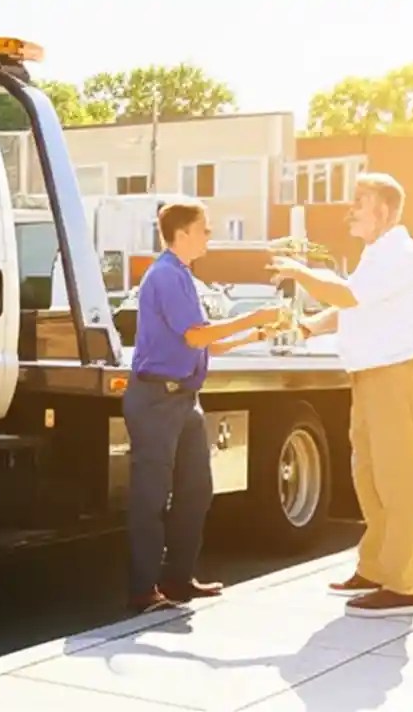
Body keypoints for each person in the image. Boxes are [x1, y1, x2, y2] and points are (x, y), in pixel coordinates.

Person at [266, 172, 413, 618]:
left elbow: (347, 294)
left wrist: (299, 270)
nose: (351, 210)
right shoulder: (377, 254)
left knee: (396, 479)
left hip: (392, 372)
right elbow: (351, 305)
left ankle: (402, 586)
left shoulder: (399, 252)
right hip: (370, 373)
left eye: (360, 201)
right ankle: (375, 568)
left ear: (384, 210)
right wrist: (310, 326)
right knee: (369, 475)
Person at [124, 200, 284, 614]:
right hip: (157, 399)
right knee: (151, 496)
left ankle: (178, 580)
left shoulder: (182, 275)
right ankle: (143, 589)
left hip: (183, 399)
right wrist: (253, 317)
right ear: (182, 233)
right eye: (205, 229)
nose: (210, 236)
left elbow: (203, 342)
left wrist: (256, 335)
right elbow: (195, 336)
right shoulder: (166, 275)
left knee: (196, 490)